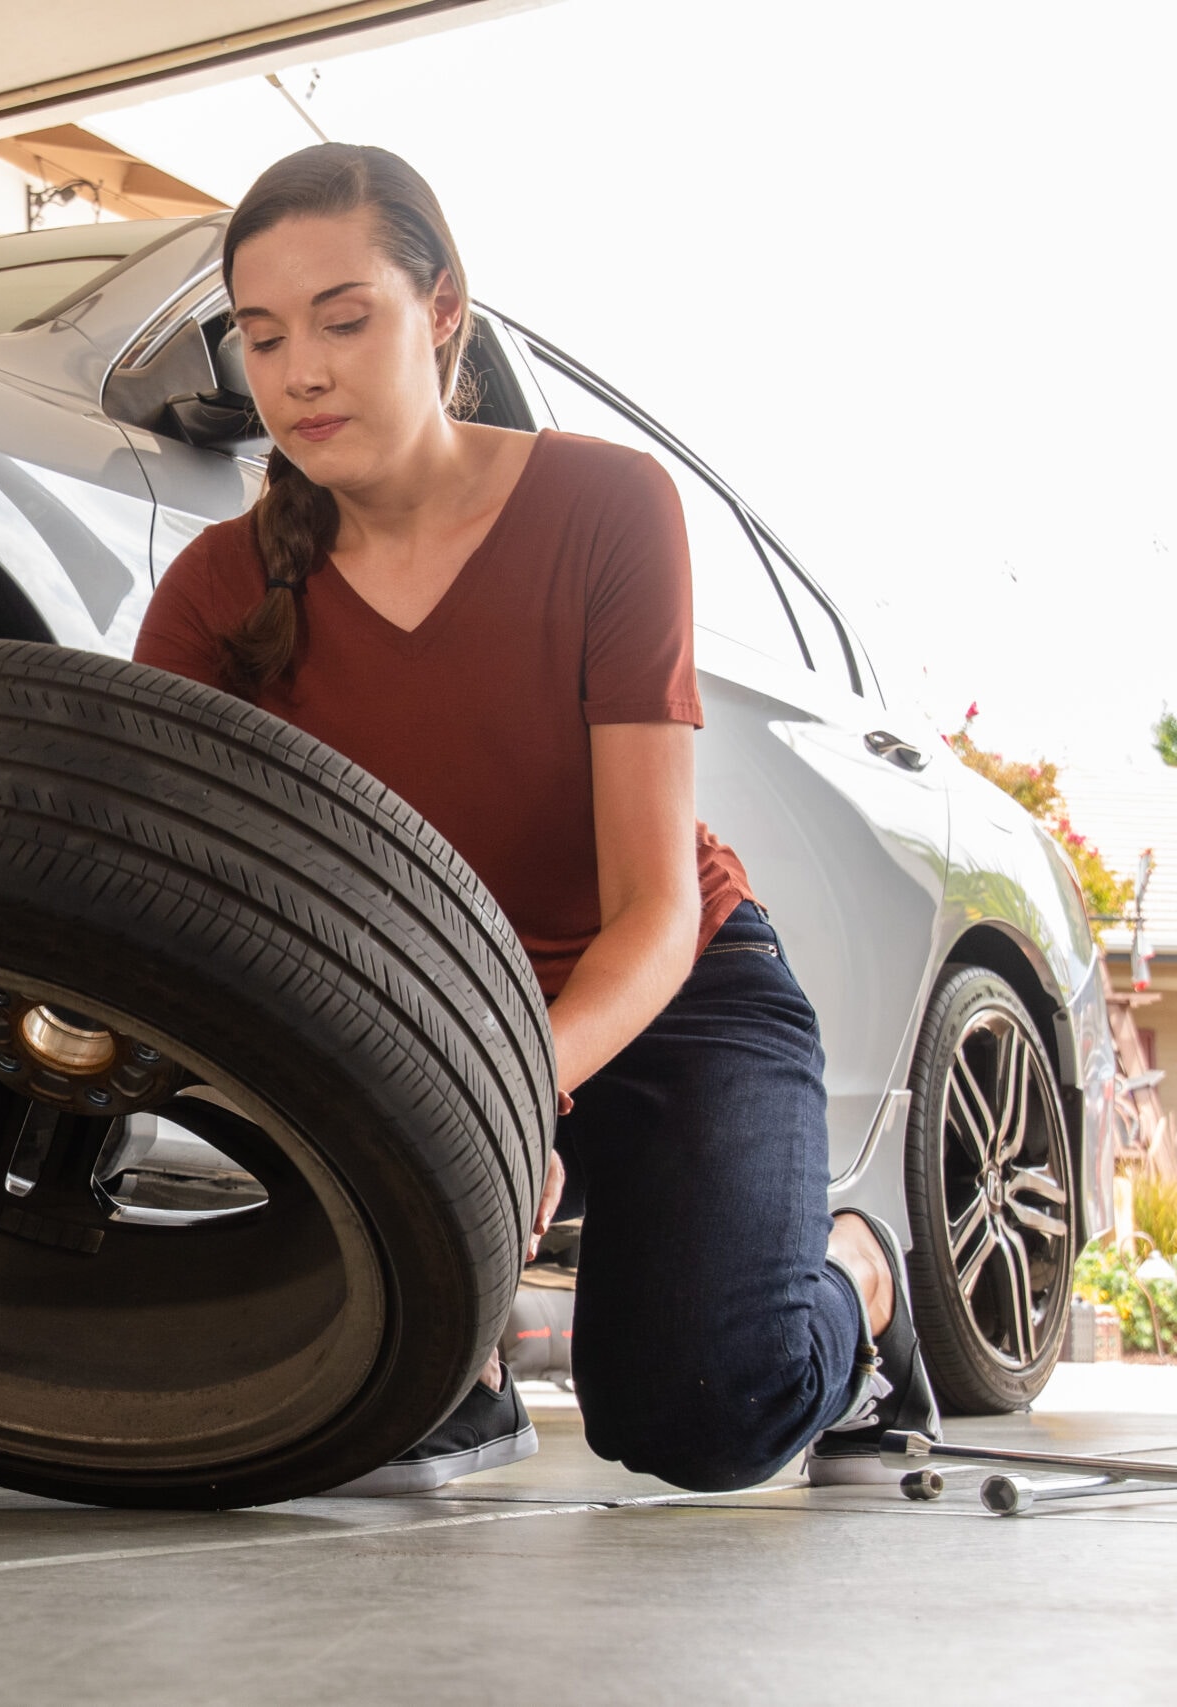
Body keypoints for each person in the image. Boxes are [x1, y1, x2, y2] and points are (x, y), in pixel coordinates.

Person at [133, 143, 939, 1494]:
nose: (301, 373)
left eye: (344, 321)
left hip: (669, 992)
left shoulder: (607, 505)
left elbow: (655, 910)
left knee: (697, 1412)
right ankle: (467, 1367)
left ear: (443, 310)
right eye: (263, 339)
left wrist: (507, 1099)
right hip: (417, 1030)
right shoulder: (217, 592)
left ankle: (855, 1269)